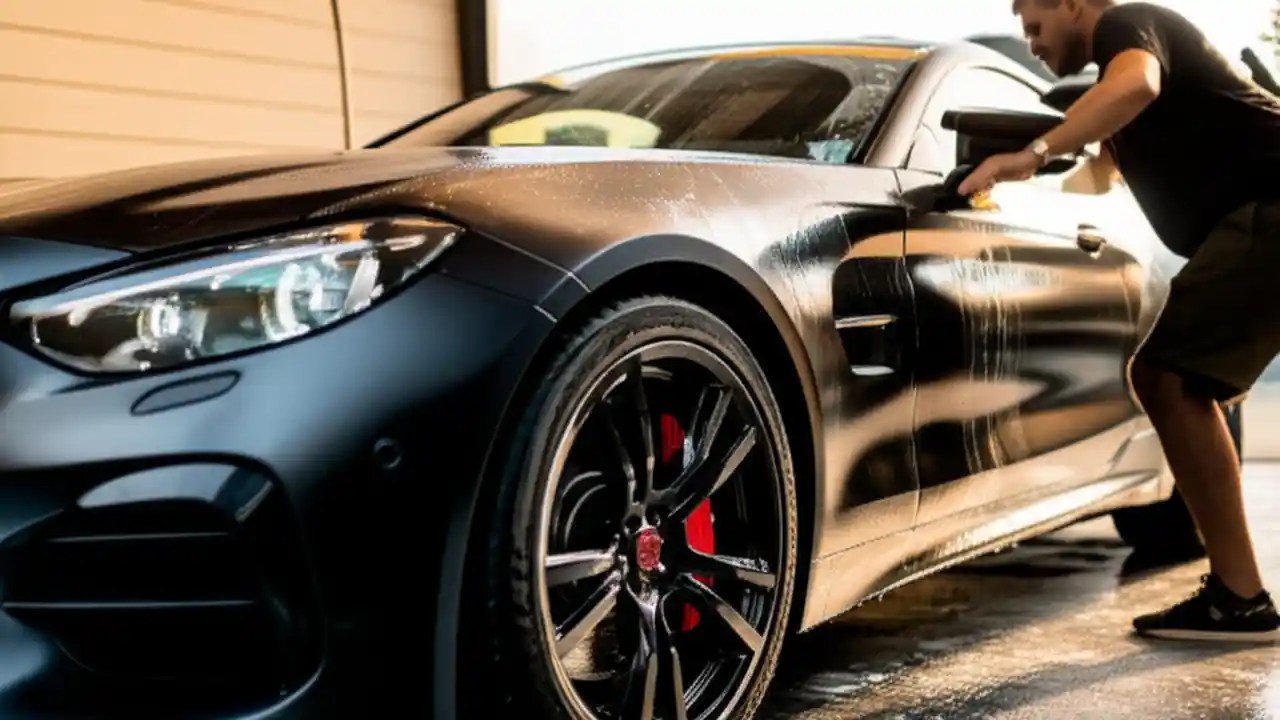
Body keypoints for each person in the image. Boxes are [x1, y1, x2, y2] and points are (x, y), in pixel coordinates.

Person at [959, 0, 1280, 642]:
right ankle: (1238, 597)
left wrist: (1028, 152)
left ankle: (1240, 599)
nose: (1031, 44)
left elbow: (1135, 84)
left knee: (1171, 379)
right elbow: (1091, 180)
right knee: (1178, 383)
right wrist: (1001, 181)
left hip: (1272, 213)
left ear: (1075, 5)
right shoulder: (1124, 113)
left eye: (1035, 26)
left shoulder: (1126, 24)